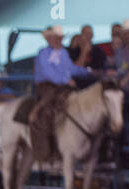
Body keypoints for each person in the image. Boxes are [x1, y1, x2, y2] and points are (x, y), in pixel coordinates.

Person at [31, 25, 89, 163]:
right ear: (49, 39)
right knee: (50, 101)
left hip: (62, 85)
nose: (58, 40)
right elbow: (47, 73)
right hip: (46, 85)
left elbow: (71, 68)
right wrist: (65, 80)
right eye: (55, 38)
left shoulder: (63, 53)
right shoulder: (43, 54)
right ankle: (36, 114)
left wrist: (88, 72)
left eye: (59, 38)